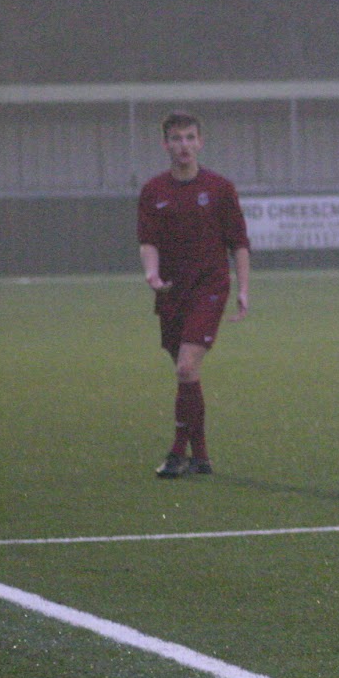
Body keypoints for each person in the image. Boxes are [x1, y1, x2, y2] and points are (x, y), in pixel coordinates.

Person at [136, 111, 250, 477]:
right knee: (188, 374)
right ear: (165, 144)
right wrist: (151, 273)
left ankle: (176, 453)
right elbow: (147, 241)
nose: (183, 145)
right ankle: (201, 456)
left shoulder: (219, 188)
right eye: (176, 138)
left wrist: (243, 289)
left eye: (189, 138)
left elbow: (240, 244)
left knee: (186, 367)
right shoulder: (153, 191)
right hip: (172, 292)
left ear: (200, 142)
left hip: (209, 288)